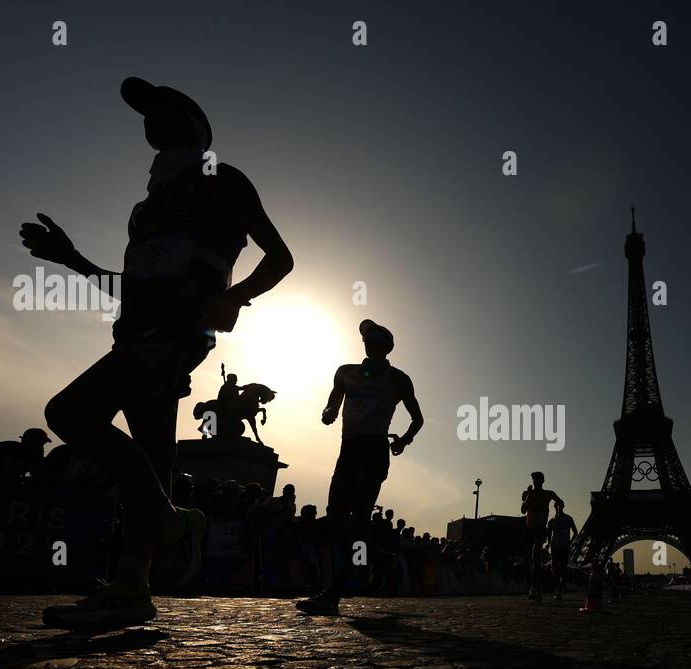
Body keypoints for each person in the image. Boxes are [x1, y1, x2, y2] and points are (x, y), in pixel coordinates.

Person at [22, 76, 293, 630]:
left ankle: (174, 524)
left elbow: (280, 258)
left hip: (175, 336)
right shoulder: (144, 211)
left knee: (67, 413)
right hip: (136, 333)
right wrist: (72, 259)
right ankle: (131, 586)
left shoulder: (221, 177)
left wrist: (234, 297)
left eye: (160, 112)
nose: (148, 122)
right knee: (148, 464)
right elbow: (135, 284)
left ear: (193, 128)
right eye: (144, 115)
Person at [297, 320, 423, 615]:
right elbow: (332, 404)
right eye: (366, 338)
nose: (369, 343)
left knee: (359, 520)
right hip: (348, 451)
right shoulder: (345, 372)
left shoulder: (399, 379)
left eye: (376, 339)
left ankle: (332, 595)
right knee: (336, 520)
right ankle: (378, 557)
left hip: (374, 449)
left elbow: (417, 418)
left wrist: (403, 441)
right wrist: (328, 413)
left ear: (387, 346)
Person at [520, 471, 560, 601]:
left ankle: (535, 587)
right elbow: (523, 510)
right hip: (530, 528)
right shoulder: (528, 494)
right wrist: (529, 495)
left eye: (537, 479)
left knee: (535, 556)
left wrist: (558, 513)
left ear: (542, 480)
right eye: (534, 479)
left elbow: (560, 501)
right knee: (532, 560)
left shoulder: (548, 494)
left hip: (539, 528)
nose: (535, 481)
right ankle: (534, 586)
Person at [547, 500, 577, 599]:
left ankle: (561, 587)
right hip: (556, 547)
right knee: (556, 569)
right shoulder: (552, 521)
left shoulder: (568, 519)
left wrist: (570, 542)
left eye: (560, 505)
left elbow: (575, 532)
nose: (559, 507)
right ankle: (558, 590)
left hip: (563, 547)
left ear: (563, 506)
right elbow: (549, 535)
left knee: (562, 568)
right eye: (557, 505)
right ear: (555, 506)